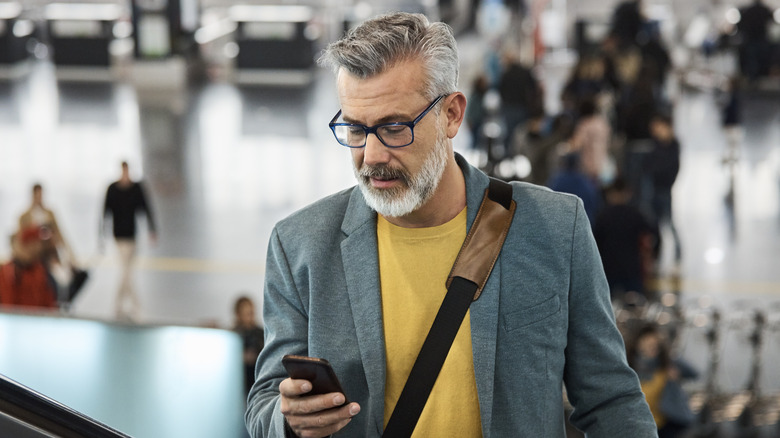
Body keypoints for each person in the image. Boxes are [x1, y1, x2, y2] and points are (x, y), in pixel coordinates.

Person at [245, 12, 657, 438]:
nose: (371, 156)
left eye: (394, 128)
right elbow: (263, 407)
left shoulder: (554, 228)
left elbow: (611, 400)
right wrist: (289, 419)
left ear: (452, 115)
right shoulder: (301, 247)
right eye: (355, 129)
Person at [100, 161, 157, 321]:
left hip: (132, 235)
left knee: (127, 272)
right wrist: (101, 235)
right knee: (127, 273)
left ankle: (118, 306)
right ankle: (134, 307)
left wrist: (152, 229)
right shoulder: (112, 189)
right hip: (119, 236)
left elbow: (146, 208)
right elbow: (105, 212)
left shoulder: (136, 188)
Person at [626, 324, 699, 438]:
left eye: (655, 345)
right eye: (648, 344)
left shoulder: (666, 365)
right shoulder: (629, 368)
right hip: (638, 424)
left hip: (665, 425)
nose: (652, 348)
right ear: (638, 344)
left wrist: (672, 357)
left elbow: (693, 373)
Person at [594, 177, 654, 300]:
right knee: (635, 304)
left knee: (607, 303)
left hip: (607, 269)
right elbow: (652, 236)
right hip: (631, 269)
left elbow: (594, 244)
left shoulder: (603, 216)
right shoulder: (636, 215)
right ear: (627, 193)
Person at [18, 183, 77, 302]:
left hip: (50, 254)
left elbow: (60, 234)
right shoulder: (24, 217)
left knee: (64, 278)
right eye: (37, 194)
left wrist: (70, 256)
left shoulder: (49, 214)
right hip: (33, 257)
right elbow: (21, 239)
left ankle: (60, 302)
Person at [646, 114, 681, 268]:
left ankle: (678, 256)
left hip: (665, 189)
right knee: (655, 225)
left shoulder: (673, 146)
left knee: (669, 223)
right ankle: (656, 257)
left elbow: (672, 168)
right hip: (654, 189)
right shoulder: (655, 144)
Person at [233, 295, 265, 395]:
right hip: (239, 380)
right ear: (238, 314)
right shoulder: (234, 335)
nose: (249, 317)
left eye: (251, 313)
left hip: (257, 380)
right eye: (246, 313)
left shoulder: (260, 333)